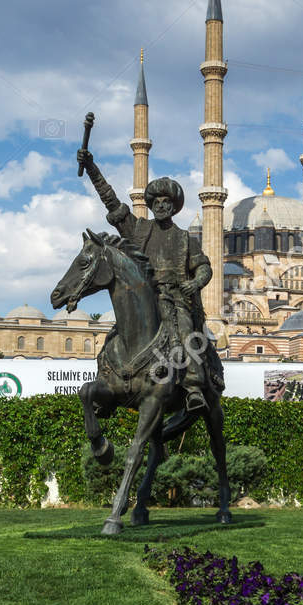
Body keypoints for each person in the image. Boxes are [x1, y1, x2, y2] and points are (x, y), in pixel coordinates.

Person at [77, 149, 222, 410]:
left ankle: (192, 388)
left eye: (167, 201)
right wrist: (91, 168)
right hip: (145, 300)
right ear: (152, 205)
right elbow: (112, 202)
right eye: (157, 201)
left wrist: (195, 283)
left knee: (185, 333)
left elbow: (204, 268)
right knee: (114, 337)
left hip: (175, 300)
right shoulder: (139, 230)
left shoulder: (184, 239)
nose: (161, 205)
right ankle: (108, 386)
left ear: (173, 206)